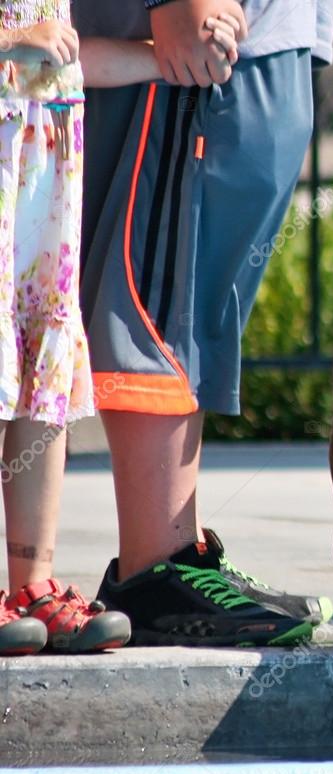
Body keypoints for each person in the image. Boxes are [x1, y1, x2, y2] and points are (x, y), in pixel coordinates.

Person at [75, 0, 333, 647]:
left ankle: (179, 554)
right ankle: (153, 567)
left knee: (197, 306)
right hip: (190, 44)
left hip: (263, 39)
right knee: (158, 299)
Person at [0, 2, 240, 655]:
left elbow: (70, 56)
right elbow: (34, 49)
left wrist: (169, 60)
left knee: (40, 395)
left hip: (38, 214)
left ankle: (32, 586)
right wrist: (17, 40)